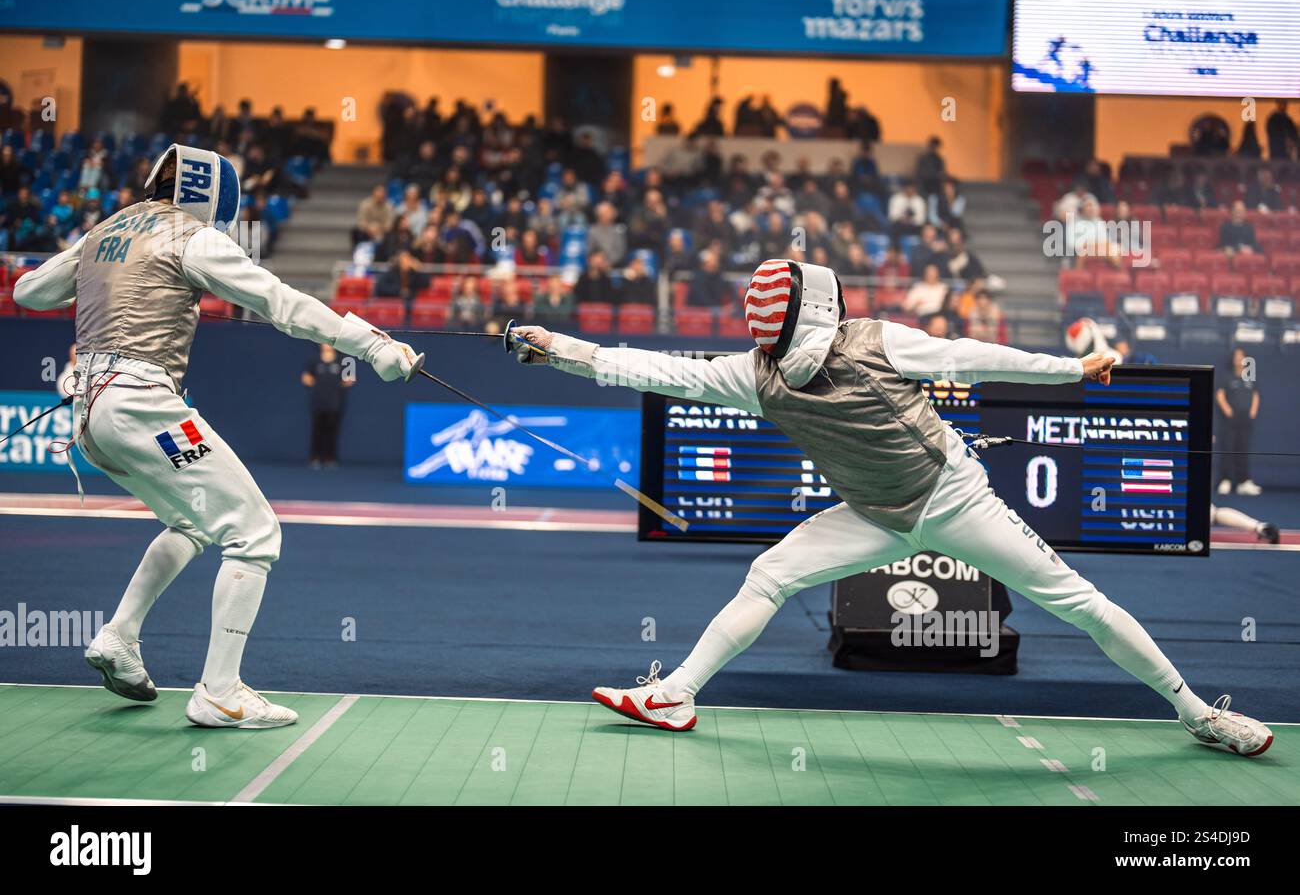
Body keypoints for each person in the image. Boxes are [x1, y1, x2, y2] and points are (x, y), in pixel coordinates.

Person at [507, 259, 1271, 756]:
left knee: (1074, 602)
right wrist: (1076, 367)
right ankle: (674, 696)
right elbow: (981, 355)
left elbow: (658, 369)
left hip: (941, 499)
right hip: (893, 508)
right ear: (821, 304)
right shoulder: (873, 339)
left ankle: (1195, 712)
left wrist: (561, 348)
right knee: (1078, 603)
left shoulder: (753, 371)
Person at [12, 144, 422, 729]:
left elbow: (28, 292)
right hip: (142, 406)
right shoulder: (191, 237)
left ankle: (120, 636)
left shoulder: (106, 230)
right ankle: (220, 691)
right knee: (255, 532)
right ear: (208, 197)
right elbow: (282, 303)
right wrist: (374, 344)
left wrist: (87, 262)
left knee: (192, 521)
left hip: (89, 417)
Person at [1215, 347, 1261, 496]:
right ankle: (1226, 480)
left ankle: (1243, 482)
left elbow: (1255, 394)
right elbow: (1220, 394)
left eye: (1241, 356)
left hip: (1245, 419)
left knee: (1243, 448)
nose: (1238, 359)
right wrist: (1228, 410)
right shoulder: (1227, 377)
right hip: (1231, 419)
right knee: (1228, 447)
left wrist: (1252, 411)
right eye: (1236, 356)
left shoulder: (1250, 377)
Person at [301, 343, 354, 469]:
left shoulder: (345, 360)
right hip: (318, 402)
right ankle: (314, 458)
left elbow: (350, 380)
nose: (327, 344)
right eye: (324, 341)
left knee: (332, 431)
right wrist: (318, 384)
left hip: (335, 402)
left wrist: (336, 383)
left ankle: (330, 458)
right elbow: (305, 378)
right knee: (317, 431)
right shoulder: (314, 360)